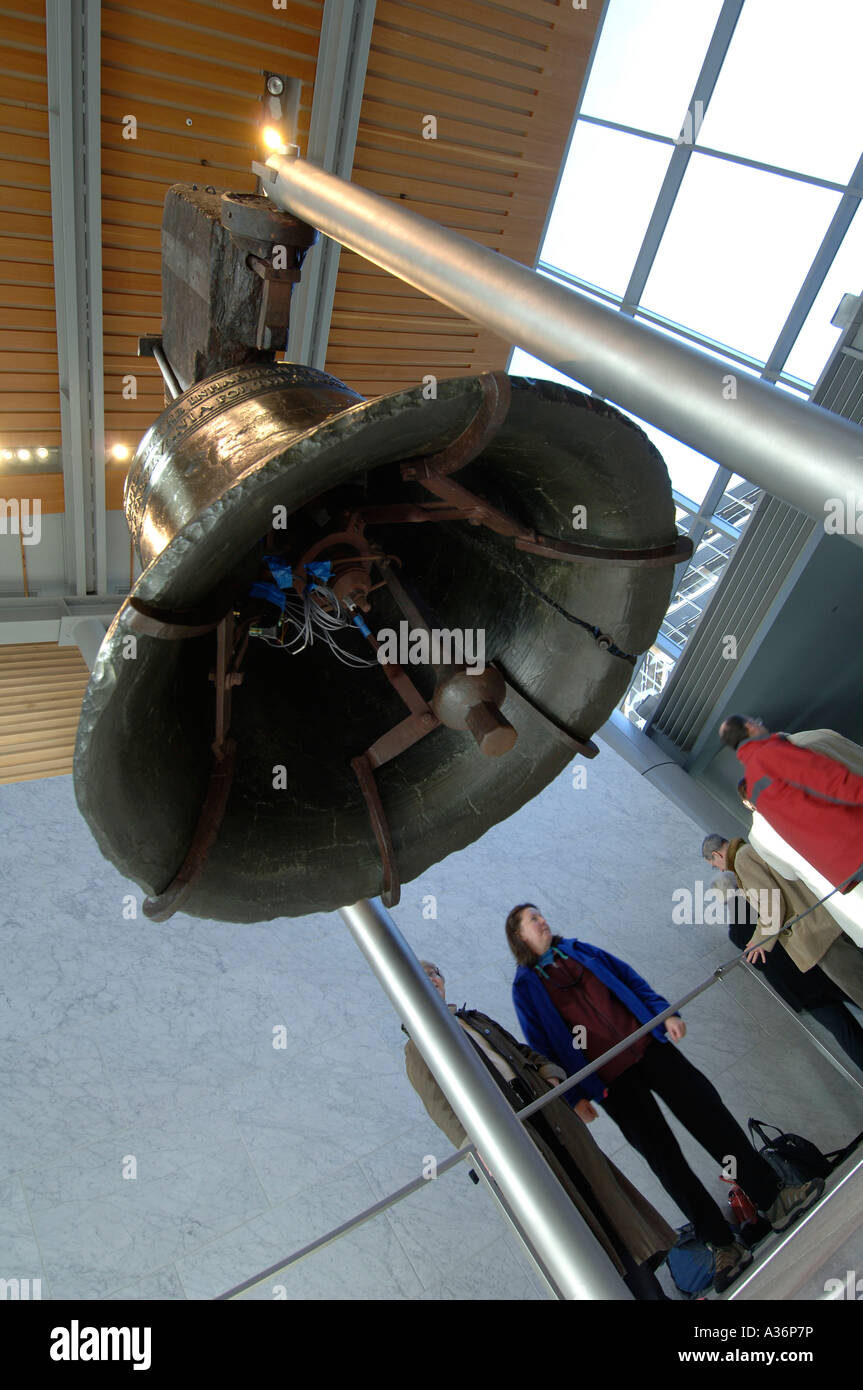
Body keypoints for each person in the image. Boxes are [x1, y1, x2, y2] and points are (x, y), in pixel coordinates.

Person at [507, 905, 825, 1294]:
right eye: (532, 921)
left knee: (712, 1119)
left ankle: (774, 1201)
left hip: (651, 1049)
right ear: (519, 936)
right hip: (612, 1081)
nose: (543, 921)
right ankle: (723, 1246)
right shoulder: (525, 987)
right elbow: (542, 1046)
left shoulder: (578, 950)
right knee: (666, 1161)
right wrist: (574, 1097)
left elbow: (629, 980)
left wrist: (663, 1013)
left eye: (540, 916)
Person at [404, 961, 676, 1299]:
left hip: (550, 1118)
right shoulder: (418, 1047)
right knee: (575, 1223)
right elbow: (441, 1108)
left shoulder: (474, 1018)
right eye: (421, 975)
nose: (431, 979)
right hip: (513, 1139)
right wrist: (476, 1148)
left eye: (434, 973)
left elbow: (521, 1051)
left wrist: (548, 1074)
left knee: (605, 1206)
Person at [706, 865, 863, 1076]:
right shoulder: (762, 904)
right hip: (816, 967)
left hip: (797, 990)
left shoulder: (735, 933)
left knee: (846, 1032)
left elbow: (760, 964)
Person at [717, 716, 863, 933]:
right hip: (854, 836)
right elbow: (829, 780)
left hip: (841, 863)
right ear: (749, 726)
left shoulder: (754, 783)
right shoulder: (769, 752)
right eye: (755, 720)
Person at [701, 833, 863, 1010]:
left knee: (856, 984)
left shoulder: (742, 860)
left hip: (814, 933)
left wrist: (759, 940)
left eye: (714, 865)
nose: (721, 869)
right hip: (821, 924)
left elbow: (771, 903)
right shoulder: (749, 850)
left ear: (717, 854)